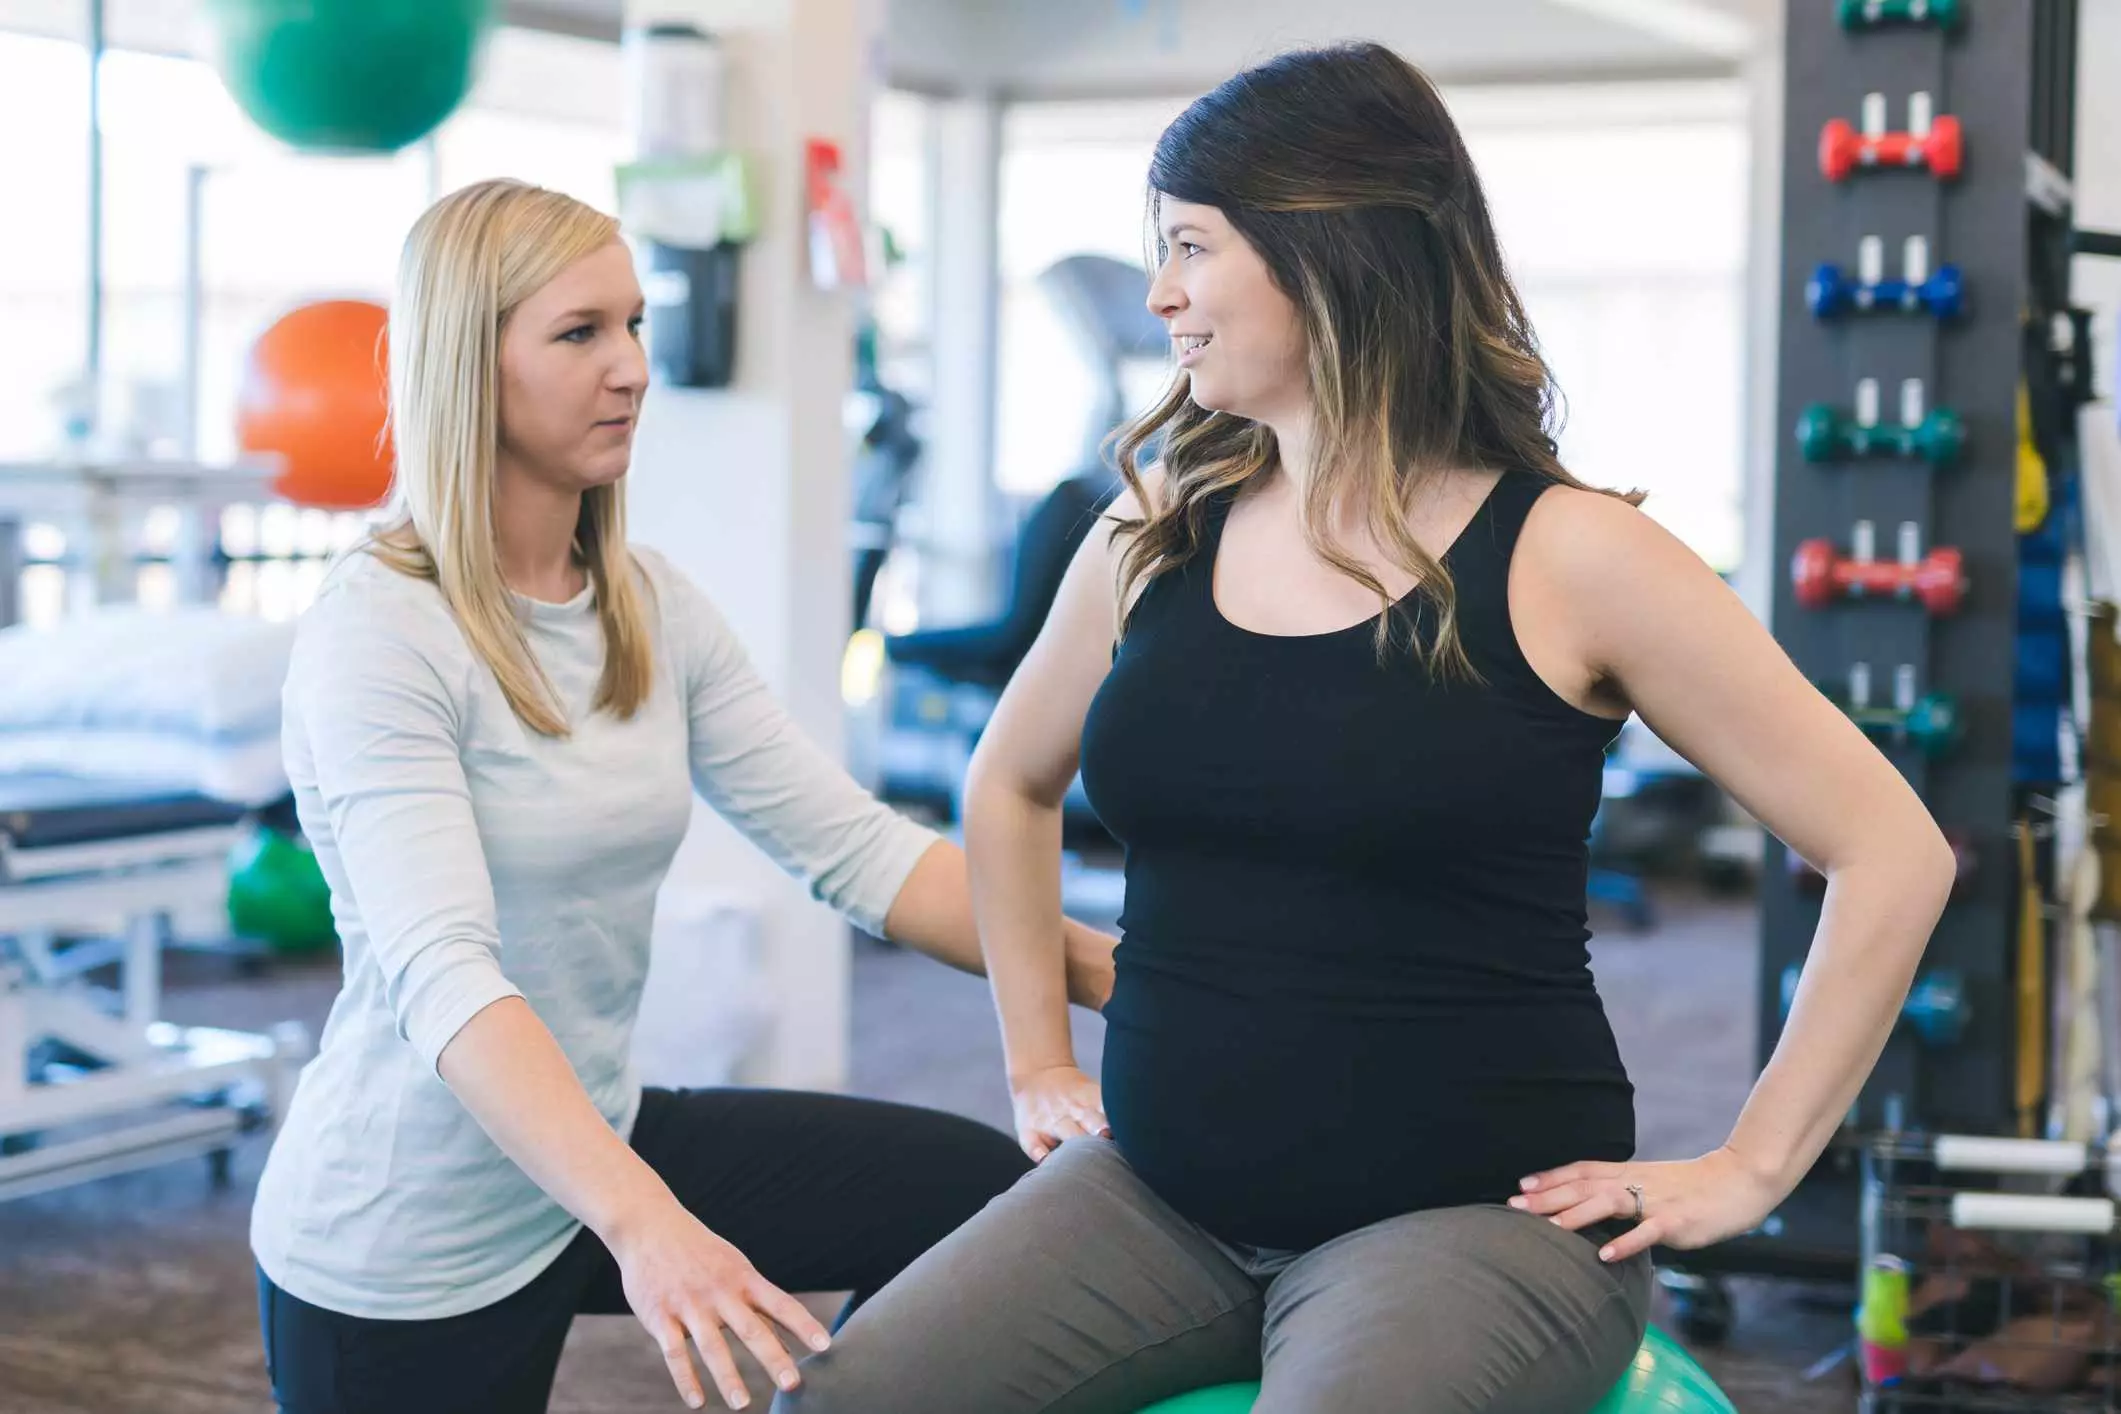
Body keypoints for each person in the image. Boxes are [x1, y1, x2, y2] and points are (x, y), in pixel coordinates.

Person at [778, 43, 1954, 1414]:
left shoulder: (1572, 555)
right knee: (844, 1399)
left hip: (1470, 1219)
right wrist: (1037, 1059)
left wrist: (1753, 1167)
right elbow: (1009, 783)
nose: (1161, 293)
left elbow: (1892, 850)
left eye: (1191, 248)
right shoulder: (1154, 529)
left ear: (1325, 253)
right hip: (1161, 1191)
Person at [249, 178, 1117, 1414]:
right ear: (467, 365)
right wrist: (650, 1231)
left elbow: (859, 851)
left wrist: (1108, 970)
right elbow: (447, 977)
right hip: (412, 1231)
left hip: (596, 1142)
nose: (633, 370)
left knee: (970, 1196)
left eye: (636, 326)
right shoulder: (382, 634)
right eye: (579, 333)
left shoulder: (644, 604)